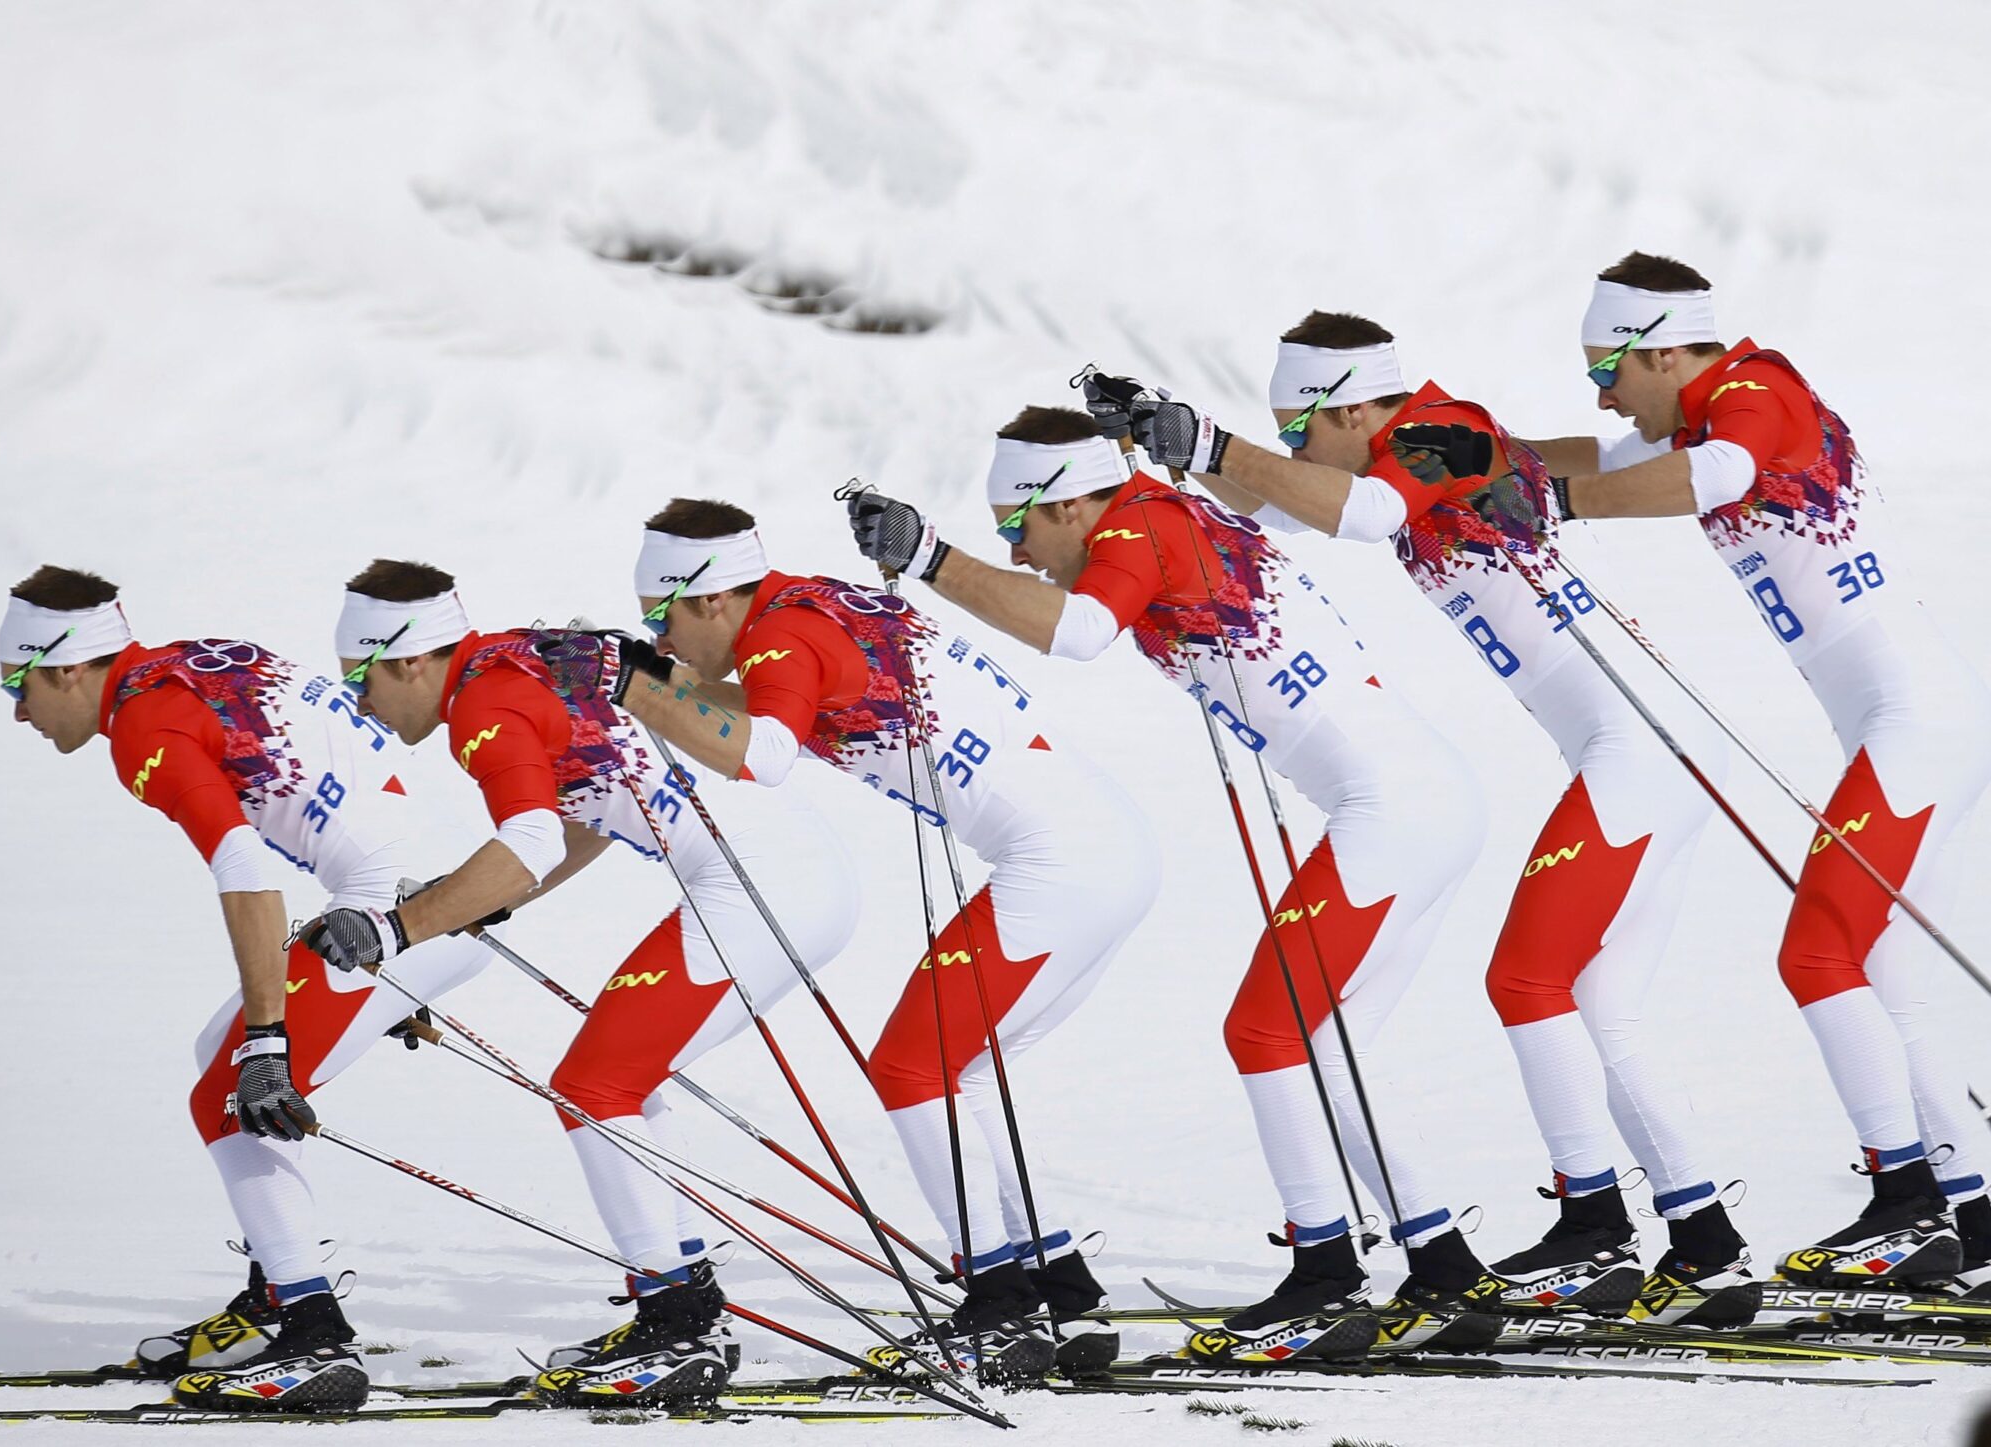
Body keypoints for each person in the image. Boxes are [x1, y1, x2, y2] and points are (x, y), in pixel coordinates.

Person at [1082, 321, 1758, 1327]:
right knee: (1592, 1003)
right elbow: (1291, 504)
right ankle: (1706, 1246)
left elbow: (1352, 511)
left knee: (1525, 983)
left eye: (1305, 427)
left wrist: (1220, 446)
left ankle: (1594, 1230)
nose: (1297, 446)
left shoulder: (1442, 432)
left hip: (1635, 753)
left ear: (1357, 408)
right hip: (1631, 759)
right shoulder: (1387, 453)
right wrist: (1178, 440)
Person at [842, 413, 1490, 1365]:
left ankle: (1325, 1279)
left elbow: (1078, 632)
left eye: (1020, 526)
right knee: (1315, 1043)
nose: (1019, 552)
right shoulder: (1162, 510)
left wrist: (934, 559)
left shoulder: (1136, 523)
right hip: (1422, 799)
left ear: (1067, 501)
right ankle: (1442, 1269)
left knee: (1266, 1033)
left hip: (1390, 808)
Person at [1515, 251, 1991, 1299]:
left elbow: (1711, 480)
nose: (1601, 389)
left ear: (1660, 347)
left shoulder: (1750, 389)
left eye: (1609, 365)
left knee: (1818, 953)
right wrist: (1482, 461)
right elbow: (1602, 452)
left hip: (1914, 722)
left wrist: (1557, 501)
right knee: (1883, 977)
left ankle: (1906, 1208)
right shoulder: (1705, 410)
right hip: (1920, 718)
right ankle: (1967, 1228)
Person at [607, 499, 1161, 1378]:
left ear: (713, 599)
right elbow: (751, 703)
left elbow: (763, 754)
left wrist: (634, 686)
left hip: (1057, 864)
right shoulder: (809, 606)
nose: (662, 641)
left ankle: (999, 1304)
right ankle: (1049, 1279)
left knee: (912, 1066)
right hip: (1096, 850)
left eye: (659, 619)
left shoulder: (780, 639)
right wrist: (645, 679)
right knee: (957, 1068)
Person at [306, 560, 859, 1403]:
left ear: (411, 659)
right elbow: (583, 820)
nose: (359, 701)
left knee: (595, 1085)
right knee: (620, 1082)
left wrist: (396, 928)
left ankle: (674, 1323)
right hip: (781, 875)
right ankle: (687, 1304)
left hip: (762, 883)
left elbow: (526, 840)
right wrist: (464, 905)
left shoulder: (485, 705)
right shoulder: (513, 664)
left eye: (362, 675)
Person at [0, 565, 496, 1413]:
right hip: (429, 894)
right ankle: (277, 1298)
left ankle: (313, 1336)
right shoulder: (185, 662)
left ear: (68, 668)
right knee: (215, 1055)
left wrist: (272, 1037)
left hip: (399, 911)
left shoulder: (144, 729)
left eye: (20, 683)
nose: (17, 710)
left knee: (231, 1091)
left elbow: (244, 867)